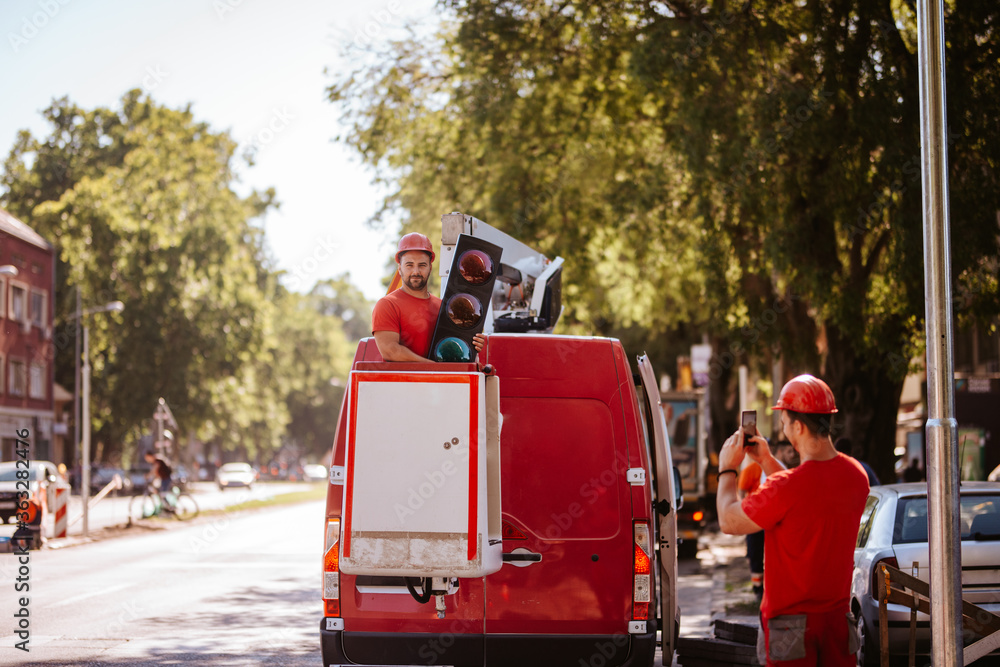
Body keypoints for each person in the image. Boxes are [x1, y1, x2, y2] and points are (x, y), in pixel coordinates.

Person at [716, 374, 869, 666]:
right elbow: (807, 495)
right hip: (838, 623)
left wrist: (727, 470)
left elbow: (728, 521)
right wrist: (766, 460)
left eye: (785, 423)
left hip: (790, 628)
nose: (784, 429)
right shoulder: (856, 476)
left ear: (798, 426)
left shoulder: (785, 487)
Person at [372, 232, 484, 361]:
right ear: (399, 268)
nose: (416, 272)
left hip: (442, 380)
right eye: (409, 265)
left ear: (430, 268)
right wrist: (432, 367)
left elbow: (454, 349)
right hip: (403, 381)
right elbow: (390, 351)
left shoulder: (443, 307)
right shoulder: (387, 305)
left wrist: (472, 344)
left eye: (422, 265)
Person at [738, 458, 766, 604]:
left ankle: (766, 590)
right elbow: (741, 493)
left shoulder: (774, 467)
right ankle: (758, 589)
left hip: (770, 520)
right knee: (755, 555)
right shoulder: (750, 470)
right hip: (754, 521)